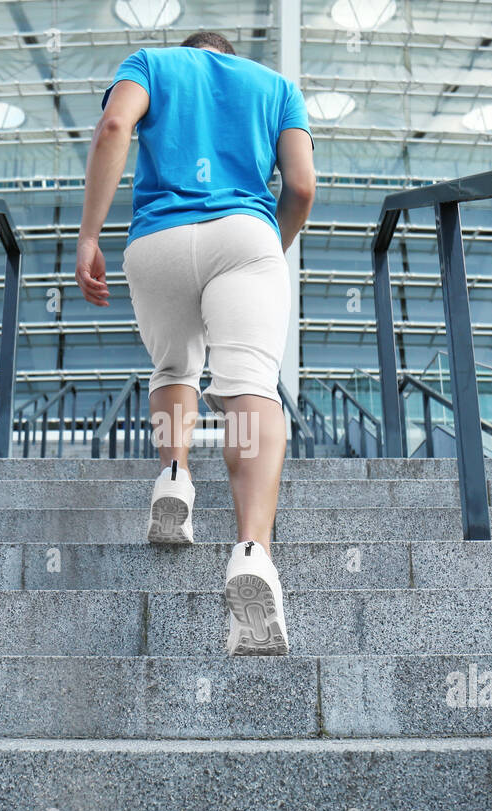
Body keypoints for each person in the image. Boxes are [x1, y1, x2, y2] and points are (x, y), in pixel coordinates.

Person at [75, 30, 316, 656]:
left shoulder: (151, 63)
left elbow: (112, 130)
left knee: (175, 363)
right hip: (244, 232)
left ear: (188, 50)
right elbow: (303, 187)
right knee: (247, 388)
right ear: (229, 55)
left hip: (157, 239)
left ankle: (175, 477)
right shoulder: (277, 88)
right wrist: (267, 249)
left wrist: (88, 238)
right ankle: (251, 553)